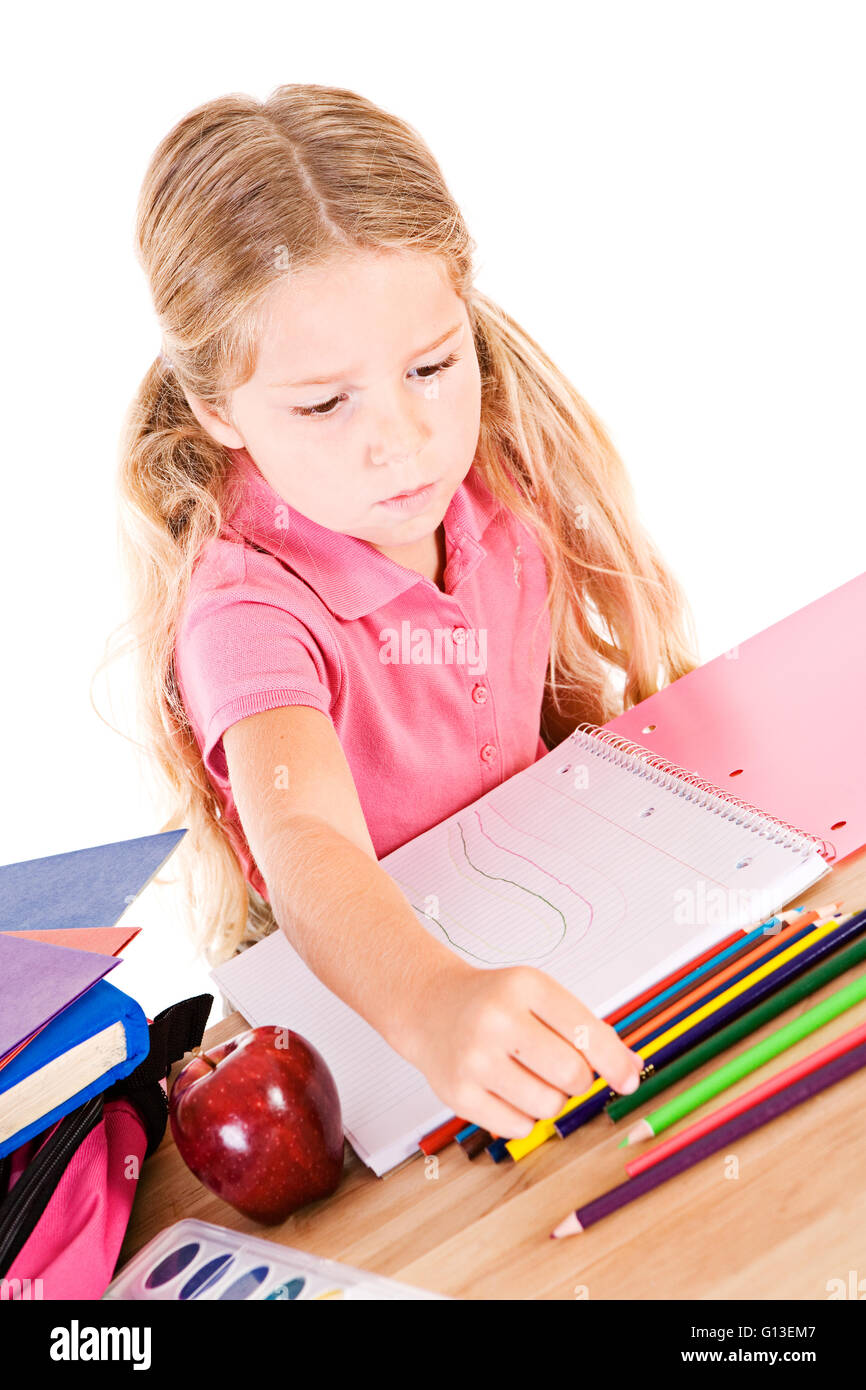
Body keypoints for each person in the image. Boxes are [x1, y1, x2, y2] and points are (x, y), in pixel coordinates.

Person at [103, 83, 699, 1141]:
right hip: (368, 1022)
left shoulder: (498, 475)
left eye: (431, 365)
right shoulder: (247, 607)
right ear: (213, 408)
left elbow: (544, 708)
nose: (404, 436)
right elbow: (306, 844)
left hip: (544, 932)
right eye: (326, 403)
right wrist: (429, 1001)